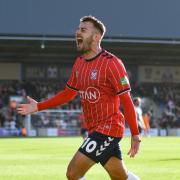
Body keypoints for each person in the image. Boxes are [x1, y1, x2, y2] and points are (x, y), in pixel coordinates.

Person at [17, 15, 141, 180]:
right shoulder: (79, 63)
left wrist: (135, 134)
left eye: (83, 30)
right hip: (94, 129)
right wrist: (39, 106)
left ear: (96, 37)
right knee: (119, 176)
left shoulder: (112, 63)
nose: (77, 32)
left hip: (109, 128)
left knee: (73, 173)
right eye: (77, 29)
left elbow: (126, 99)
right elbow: (68, 93)